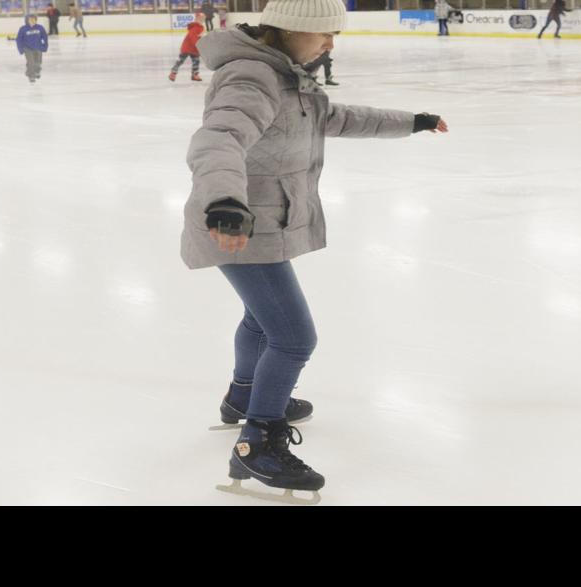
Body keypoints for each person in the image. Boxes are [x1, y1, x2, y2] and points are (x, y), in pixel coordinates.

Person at [182, 0, 449, 498]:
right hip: (237, 224)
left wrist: (410, 121)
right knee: (293, 337)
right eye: (323, 34)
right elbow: (219, 138)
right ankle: (257, 443)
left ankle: (243, 397)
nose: (329, 45)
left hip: (263, 221)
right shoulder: (252, 77)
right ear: (288, 29)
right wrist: (224, 200)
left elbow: (337, 117)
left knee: (261, 320)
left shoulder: (287, 76)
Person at [16, 13, 48, 82]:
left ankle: (37, 71)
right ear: (27, 20)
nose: (32, 21)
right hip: (27, 48)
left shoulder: (40, 27)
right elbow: (19, 40)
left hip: (38, 47)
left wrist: (45, 46)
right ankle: (31, 75)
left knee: (38, 62)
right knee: (31, 62)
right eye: (30, 19)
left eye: (34, 19)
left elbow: (45, 37)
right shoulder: (23, 29)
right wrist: (20, 49)